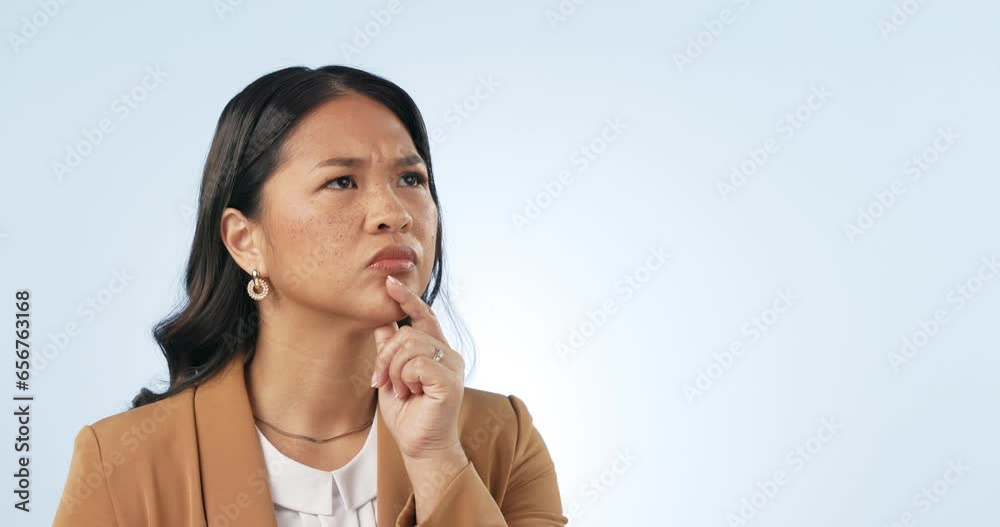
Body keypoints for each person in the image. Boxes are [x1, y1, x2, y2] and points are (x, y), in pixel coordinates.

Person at [52, 65, 567, 526]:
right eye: (342, 181)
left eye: (411, 178)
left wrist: (436, 458)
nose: (394, 212)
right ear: (244, 240)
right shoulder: (121, 460)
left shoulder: (500, 435)